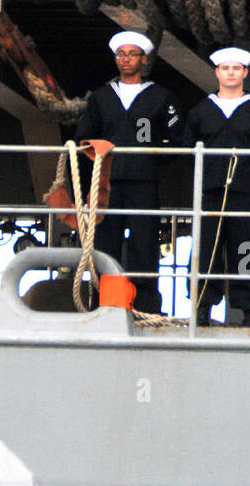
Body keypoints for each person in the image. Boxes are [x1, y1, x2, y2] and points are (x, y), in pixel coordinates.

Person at [74, 31, 183, 315]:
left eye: (131, 54)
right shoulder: (100, 97)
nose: (125, 59)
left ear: (143, 59)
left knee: (144, 242)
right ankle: (107, 303)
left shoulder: (160, 97)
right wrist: (95, 148)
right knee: (106, 242)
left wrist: (150, 158)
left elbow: (176, 138)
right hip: (107, 183)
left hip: (143, 182)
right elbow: (84, 136)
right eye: (121, 54)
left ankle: (144, 305)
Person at [185, 48, 250, 328]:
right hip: (211, 192)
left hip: (245, 193)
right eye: (225, 68)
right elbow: (187, 149)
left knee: (246, 250)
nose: (230, 72)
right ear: (217, 72)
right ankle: (203, 305)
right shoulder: (202, 111)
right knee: (208, 249)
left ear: (244, 73)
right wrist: (206, 176)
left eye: (236, 68)